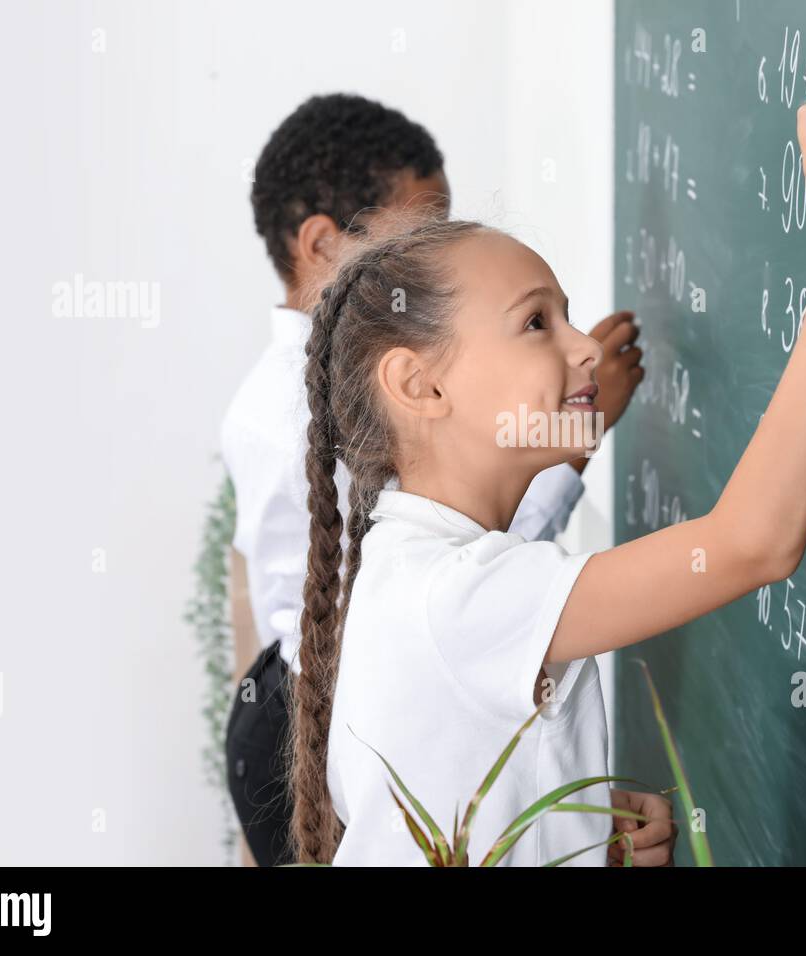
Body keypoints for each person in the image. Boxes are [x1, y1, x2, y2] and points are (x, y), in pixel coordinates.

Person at [286, 94, 806, 865]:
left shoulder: (418, 571)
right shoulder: (457, 593)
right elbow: (754, 541)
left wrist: (565, 826)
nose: (581, 348)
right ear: (420, 387)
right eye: (536, 323)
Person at [220, 93, 649, 865]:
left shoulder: (307, 388)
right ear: (321, 244)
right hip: (302, 720)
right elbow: (470, 575)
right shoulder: (301, 413)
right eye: (419, 230)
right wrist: (573, 440)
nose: (436, 251)